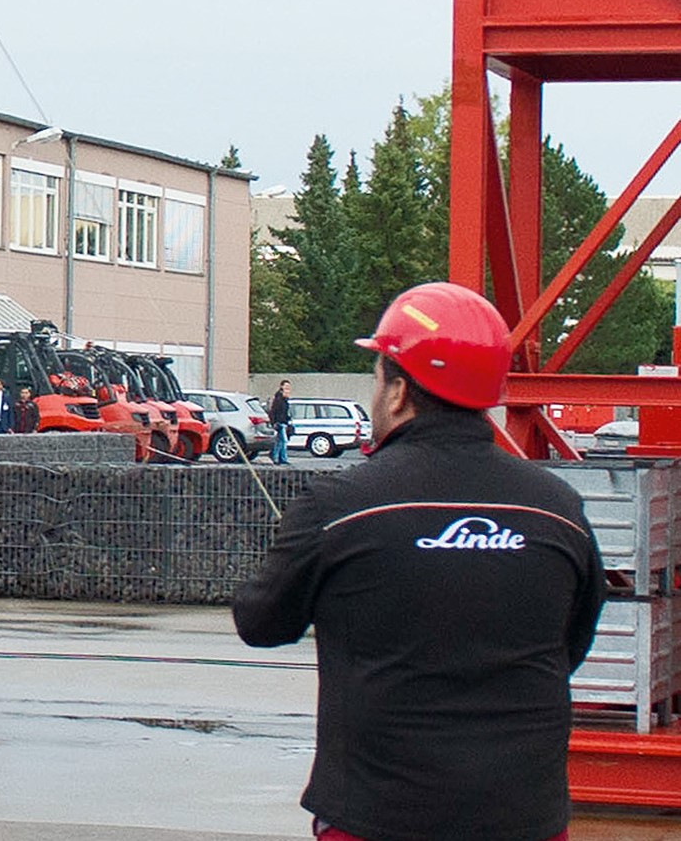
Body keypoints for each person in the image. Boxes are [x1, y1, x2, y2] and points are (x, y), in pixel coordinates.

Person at [233, 282, 604, 841]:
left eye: (378, 378)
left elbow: (261, 623)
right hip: (524, 815)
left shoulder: (340, 506)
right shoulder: (558, 508)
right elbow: (572, 642)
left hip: (377, 815)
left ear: (400, 392)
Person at [267, 379, 292, 465]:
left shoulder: (285, 399)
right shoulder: (278, 399)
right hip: (280, 423)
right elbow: (274, 411)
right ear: (282, 387)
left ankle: (276, 457)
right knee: (283, 441)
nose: (288, 389)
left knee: (279, 441)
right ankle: (282, 458)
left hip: (283, 422)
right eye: (286, 387)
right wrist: (274, 422)